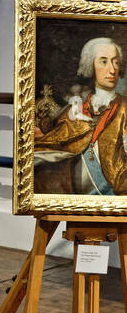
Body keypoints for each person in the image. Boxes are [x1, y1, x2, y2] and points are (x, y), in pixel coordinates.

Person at [34, 36, 127, 194]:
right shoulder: (72, 112)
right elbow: (48, 149)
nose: (112, 69)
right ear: (90, 65)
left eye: (116, 62)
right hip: (75, 203)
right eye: (103, 61)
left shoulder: (125, 108)